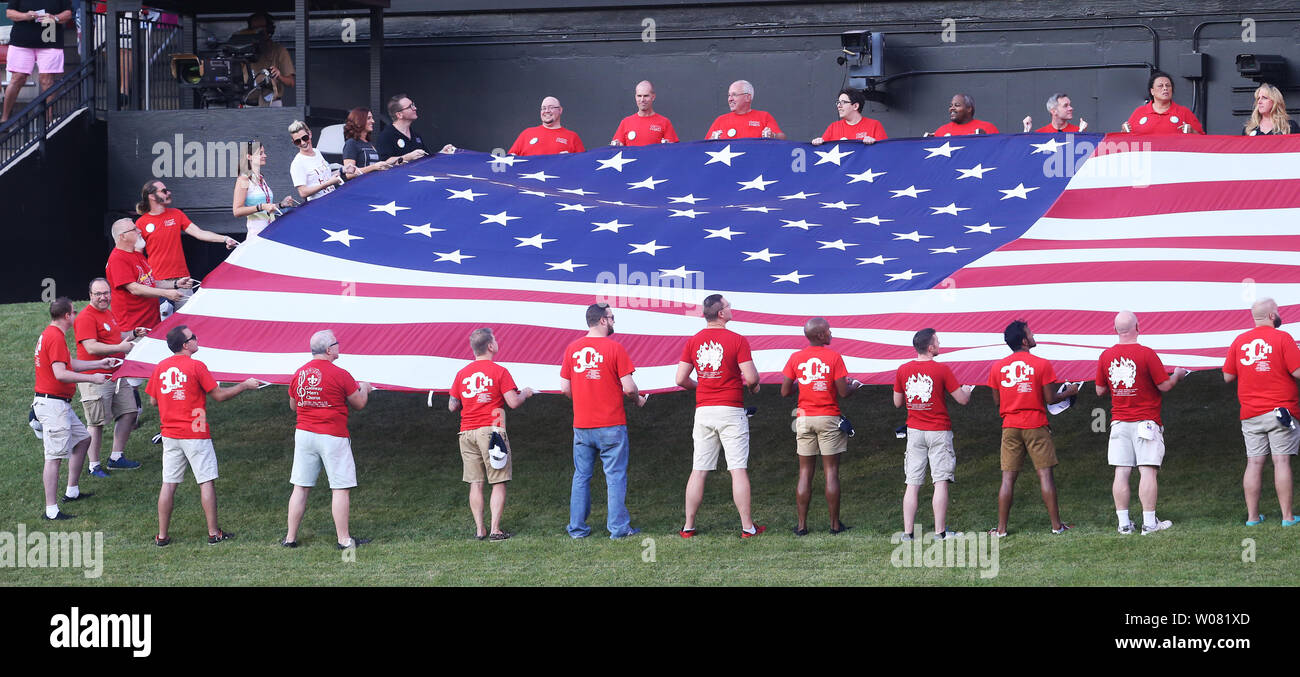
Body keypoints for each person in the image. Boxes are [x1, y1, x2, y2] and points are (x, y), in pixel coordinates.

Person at [146, 325, 260, 546]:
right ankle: (213, 532)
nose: (197, 340)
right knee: (205, 481)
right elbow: (219, 396)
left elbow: (152, 400)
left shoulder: (160, 367)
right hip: (195, 434)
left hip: (170, 434)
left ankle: (162, 536)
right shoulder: (197, 366)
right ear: (186, 344)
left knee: (168, 484)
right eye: (193, 337)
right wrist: (244, 385)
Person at [676, 294, 765, 538]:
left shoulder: (693, 341)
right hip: (730, 409)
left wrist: (702, 386)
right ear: (721, 314)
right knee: (737, 469)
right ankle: (748, 527)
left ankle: (688, 526)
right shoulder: (737, 340)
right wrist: (752, 387)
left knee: (699, 469)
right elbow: (752, 377)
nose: (731, 307)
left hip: (704, 410)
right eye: (728, 305)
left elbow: (680, 379)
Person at [1095, 311, 1187, 536]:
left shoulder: (1105, 356)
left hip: (1119, 422)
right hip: (1146, 421)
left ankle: (1124, 524)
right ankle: (1149, 523)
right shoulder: (1146, 354)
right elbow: (1164, 386)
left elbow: (1099, 390)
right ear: (1138, 326)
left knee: (1122, 471)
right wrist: (1178, 375)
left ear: (1115, 329)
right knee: (1147, 471)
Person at [560, 303, 647, 539]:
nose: (613, 322)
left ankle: (577, 528)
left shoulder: (572, 349)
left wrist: (583, 398)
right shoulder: (615, 348)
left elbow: (565, 388)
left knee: (581, 476)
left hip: (582, 424)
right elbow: (629, 388)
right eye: (611, 318)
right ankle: (618, 528)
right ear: (601, 320)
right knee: (615, 476)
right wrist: (638, 400)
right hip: (611, 423)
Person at [987, 319, 1080, 536]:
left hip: (1010, 426)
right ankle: (1057, 526)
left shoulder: (997, 367)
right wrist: (1070, 391)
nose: (1033, 334)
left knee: (1007, 479)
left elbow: (997, 401)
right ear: (1024, 341)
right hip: (1036, 425)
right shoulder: (1041, 364)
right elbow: (1050, 399)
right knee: (1045, 476)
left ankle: (1001, 529)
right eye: (1030, 332)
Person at [282, 330, 373, 550]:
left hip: (304, 434)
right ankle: (344, 539)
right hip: (332, 435)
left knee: (300, 486)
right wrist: (366, 388)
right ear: (329, 349)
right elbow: (359, 403)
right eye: (337, 343)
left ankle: (290, 538)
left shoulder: (299, 373)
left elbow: (294, 405)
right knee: (340, 488)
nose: (339, 346)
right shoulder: (339, 374)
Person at [33, 297, 119, 520]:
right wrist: (93, 379)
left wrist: (99, 364)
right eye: (74, 312)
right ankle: (51, 510)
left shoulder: (51, 335)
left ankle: (72, 491)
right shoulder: (55, 336)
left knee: (82, 440)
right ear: (67, 316)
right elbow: (61, 373)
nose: (76, 315)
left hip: (57, 403)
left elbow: (68, 363)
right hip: (53, 405)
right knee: (53, 457)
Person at [449, 328, 535, 541]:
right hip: (492, 430)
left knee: (475, 483)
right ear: (490, 346)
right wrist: (525, 392)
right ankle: (496, 529)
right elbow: (513, 402)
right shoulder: (499, 371)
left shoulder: (462, 373)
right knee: (498, 481)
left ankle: (480, 530)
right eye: (495, 340)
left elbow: (452, 405)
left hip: (466, 432)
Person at [780, 317, 862, 536]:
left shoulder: (795, 358)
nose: (830, 332)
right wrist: (853, 386)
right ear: (819, 335)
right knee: (831, 472)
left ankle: (801, 526)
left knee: (805, 472)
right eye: (827, 331)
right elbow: (843, 392)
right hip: (828, 418)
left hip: (804, 418)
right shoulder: (834, 357)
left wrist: (804, 385)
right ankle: (835, 525)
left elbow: (785, 391)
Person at [1223, 298, 1300, 527]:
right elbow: (1297, 371)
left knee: (1254, 464)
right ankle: (1287, 517)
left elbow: (1227, 376)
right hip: (1281, 411)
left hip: (1251, 414)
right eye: (1276, 311)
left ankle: (1253, 518)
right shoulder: (1283, 338)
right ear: (1271, 316)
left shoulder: (1239, 341)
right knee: (1281, 461)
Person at [892, 328, 971, 540]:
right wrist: (969, 391)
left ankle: (908, 533)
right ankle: (940, 532)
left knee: (912, 482)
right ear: (930, 347)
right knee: (940, 481)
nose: (939, 343)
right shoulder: (942, 370)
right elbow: (962, 400)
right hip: (938, 431)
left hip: (915, 431)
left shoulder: (903, 369)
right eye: (937, 341)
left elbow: (897, 403)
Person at [74, 278, 145, 476]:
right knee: (96, 423)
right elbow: (91, 346)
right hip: (95, 377)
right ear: (90, 295)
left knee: (130, 412)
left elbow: (113, 337)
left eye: (106, 293)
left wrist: (131, 334)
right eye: (98, 294)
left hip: (116, 375)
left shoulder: (107, 313)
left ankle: (116, 457)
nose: (103, 297)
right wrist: (120, 348)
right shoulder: (86, 317)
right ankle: (93, 465)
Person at [136, 179, 238, 311]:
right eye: (164, 191)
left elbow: (199, 233)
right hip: (158, 282)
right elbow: (137, 256)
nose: (169, 193)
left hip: (183, 280)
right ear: (151, 196)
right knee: (161, 324)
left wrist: (224, 239)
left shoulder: (176, 214)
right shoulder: (141, 223)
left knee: (186, 323)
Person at [104, 218, 187, 335]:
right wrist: (166, 293)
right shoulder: (118, 258)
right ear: (123, 236)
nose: (139, 231)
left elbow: (150, 282)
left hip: (150, 325)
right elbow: (134, 288)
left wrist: (175, 284)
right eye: (134, 229)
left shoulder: (137, 255)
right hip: (134, 329)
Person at [1, 0, 73, 125]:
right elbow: (9, 13)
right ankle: (5, 117)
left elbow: (68, 13)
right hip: (22, 39)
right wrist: (25, 16)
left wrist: (54, 18)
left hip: (50, 38)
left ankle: (48, 119)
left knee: (47, 79)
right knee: (17, 77)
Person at [232, 140, 297, 239]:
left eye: (264, 152)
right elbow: (237, 211)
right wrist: (261, 206)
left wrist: (281, 204)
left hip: (271, 232)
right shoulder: (244, 179)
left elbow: (266, 208)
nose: (265, 155)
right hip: (256, 235)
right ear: (249, 157)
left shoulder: (261, 178)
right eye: (260, 153)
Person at [342, 107, 425, 178]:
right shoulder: (351, 143)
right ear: (359, 120)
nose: (373, 121)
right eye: (369, 118)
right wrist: (374, 167)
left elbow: (380, 165)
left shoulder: (368, 143)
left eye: (372, 118)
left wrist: (404, 158)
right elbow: (349, 174)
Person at [375, 93, 453, 160]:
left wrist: (441, 153)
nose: (415, 108)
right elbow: (383, 163)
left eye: (413, 105)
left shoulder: (416, 136)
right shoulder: (386, 136)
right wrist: (407, 157)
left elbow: (426, 158)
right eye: (410, 107)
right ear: (399, 114)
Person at [1123, 71, 1204, 135]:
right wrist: (1124, 131)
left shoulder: (1184, 112)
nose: (1165, 88)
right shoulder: (1139, 112)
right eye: (1160, 86)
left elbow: (1203, 140)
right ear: (1152, 91)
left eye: (1168, 85)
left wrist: (1193, 132)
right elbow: (1127, 139)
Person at [706, 80, 785, 140]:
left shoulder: (764, 117)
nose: (730, 99)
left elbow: (782, 137)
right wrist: (711, 140)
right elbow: (704, 146)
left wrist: (773, 136)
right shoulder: (720, 120)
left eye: (734, 95)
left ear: (748, 97)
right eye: (729, 95)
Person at [245, 11, 294, 107]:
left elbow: (291, 82)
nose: (258, 31)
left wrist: (279, 76)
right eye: (254, 28)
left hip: (272, 103)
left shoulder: (279, 51)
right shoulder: (242, 51)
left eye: (261, 28)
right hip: (247, 105)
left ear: (269, 29)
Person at [288, 120, 345, 202]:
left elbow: (324, 176)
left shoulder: (317, 152)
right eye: (298, 141)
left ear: (310, 134)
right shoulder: (297, 163)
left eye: (305, 138)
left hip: (333, 198)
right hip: (318, 204)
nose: (303, 143)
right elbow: (303, 192)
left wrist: (343, 170)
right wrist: (327, 184)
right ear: (294, 143)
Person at [508, 96, 585, 155]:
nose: (547, 111)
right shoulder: (526, 134)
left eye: (551, 107)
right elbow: (510, 160)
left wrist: (569, 160)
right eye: (543, 108)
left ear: (560, 110)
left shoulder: (572, 137)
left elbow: (582, 166)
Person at [610, 80, 679, 146]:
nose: (642, 100)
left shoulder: (664, 122)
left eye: (646, 96)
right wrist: (618, 145)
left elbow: (674, 151)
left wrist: (668, 145)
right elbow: (615, 150)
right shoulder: (625, 122)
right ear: (635, 97)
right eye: (639, 96)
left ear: (653, 97)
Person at [812, 87, 886, 145]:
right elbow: (823, 153)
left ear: (855, 106)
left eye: (843, 102)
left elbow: (884, 151)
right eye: (838, 102)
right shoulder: (833, 127)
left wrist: (875, 143)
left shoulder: (874, 125)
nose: (838, 106)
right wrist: (818, 143)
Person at [933, 93, 999, 136]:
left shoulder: (987, 128)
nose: (952, 108)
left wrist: (985, 139)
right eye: (950, 106)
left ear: (969, 109)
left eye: (957, 105)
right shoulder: (941, 131)